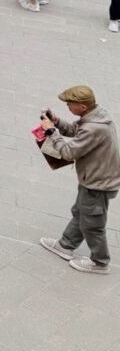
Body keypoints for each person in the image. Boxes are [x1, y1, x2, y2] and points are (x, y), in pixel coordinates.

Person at [38, 84, 120, 274]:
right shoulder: (96, 117)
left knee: (93, 223)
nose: (67, 106)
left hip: (98, 183)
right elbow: (76, 131)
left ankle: (99, 262)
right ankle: (66, 245)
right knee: (81, 213)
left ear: (82, 106)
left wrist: (51, 132)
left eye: (70, 104)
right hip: (94, 178)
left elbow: (68, 152)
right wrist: (56, 122)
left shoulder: (93, 128)